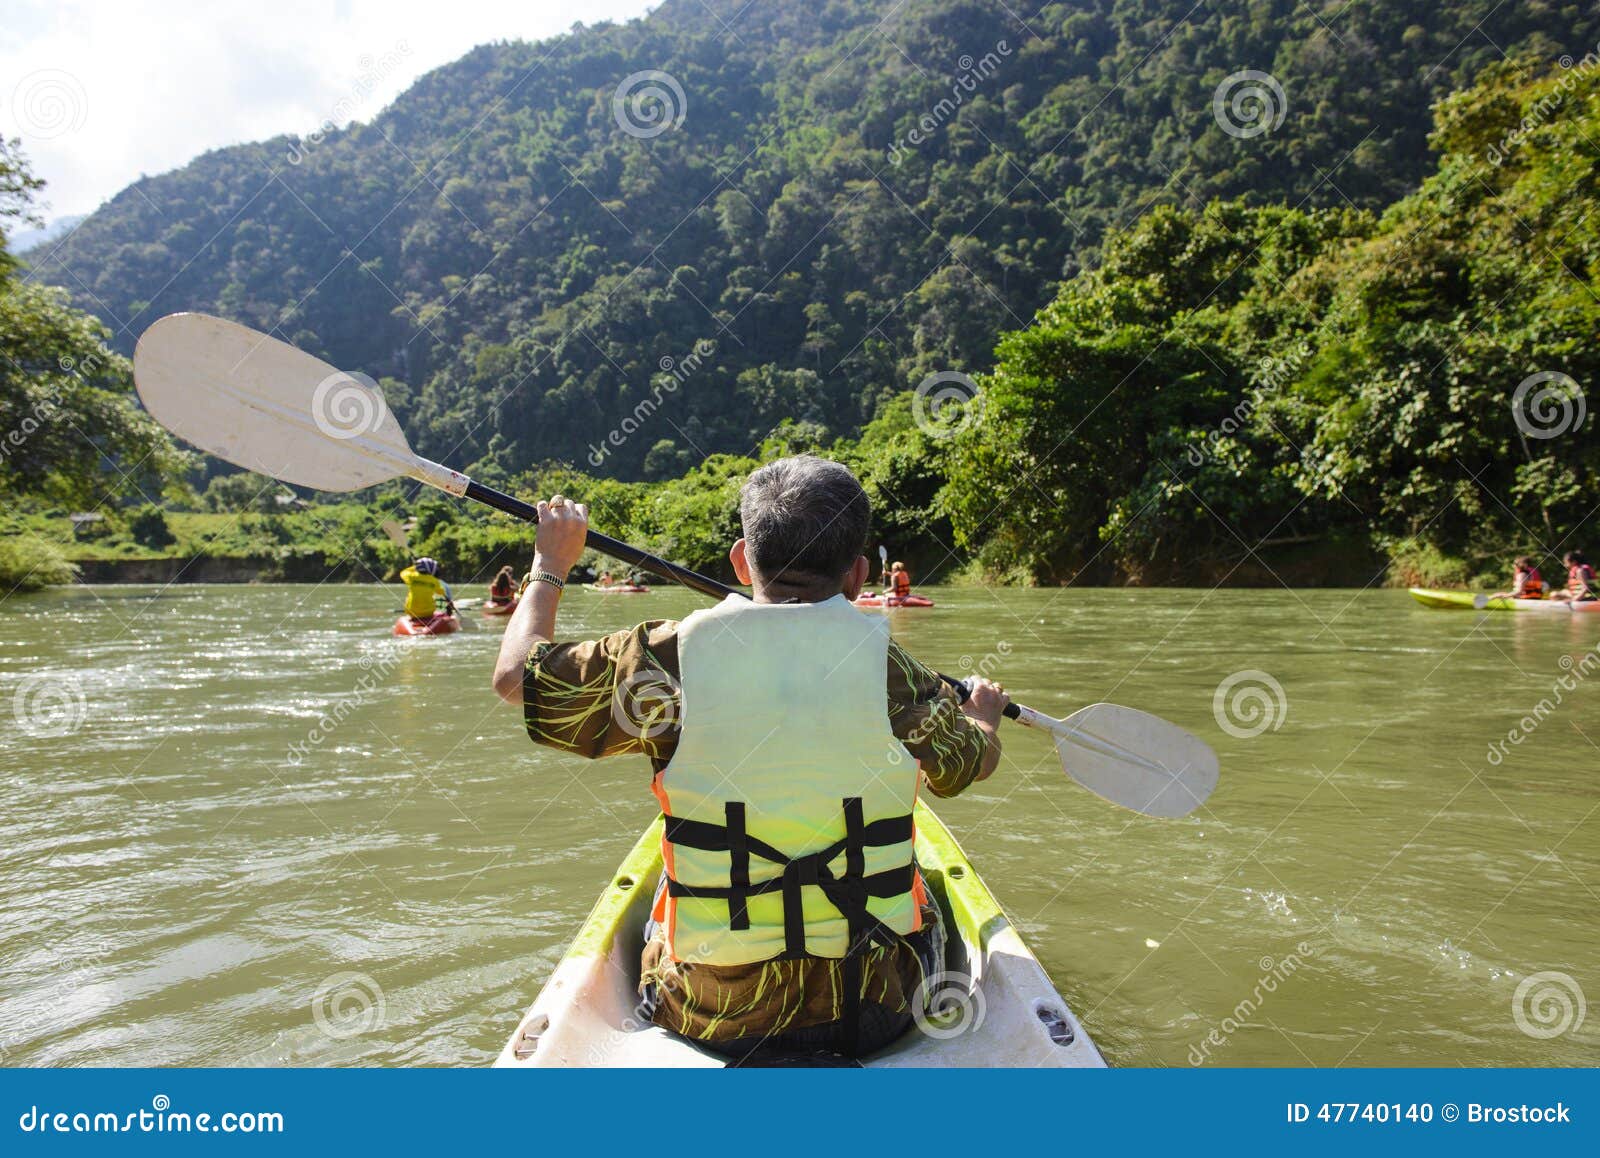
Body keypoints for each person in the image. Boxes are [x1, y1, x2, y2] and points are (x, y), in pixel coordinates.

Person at [491, 457, 1007, 1059]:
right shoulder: (898, 673)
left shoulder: (665, 658)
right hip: (876, 1008)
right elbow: (971, 763)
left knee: (670, 884)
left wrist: (550, 564)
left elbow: (515, 678)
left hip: (711, 1012)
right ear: (858, 575)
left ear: (741, 561)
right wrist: (983, 715)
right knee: (922, 885)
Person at [399, 556, 452, 620]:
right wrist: (449, 604)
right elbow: (442, 593)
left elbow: (403, 572)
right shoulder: (434, 581)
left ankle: (414, 618)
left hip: (412, 612)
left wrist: (415, 566)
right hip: (428, 613)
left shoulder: (411, 577)